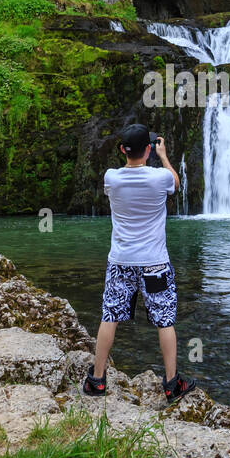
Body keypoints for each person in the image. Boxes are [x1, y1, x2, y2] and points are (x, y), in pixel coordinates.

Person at [84, 123, 198, 405]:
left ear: (123, 150)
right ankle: (172, 384)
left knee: (109, 314)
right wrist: (164, 156)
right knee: (165, 319)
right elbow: (176, 183)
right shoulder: (160, 178)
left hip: (121, 261)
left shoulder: (111, 178)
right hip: (154, 263)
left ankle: (97, 380)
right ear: (148, 149)